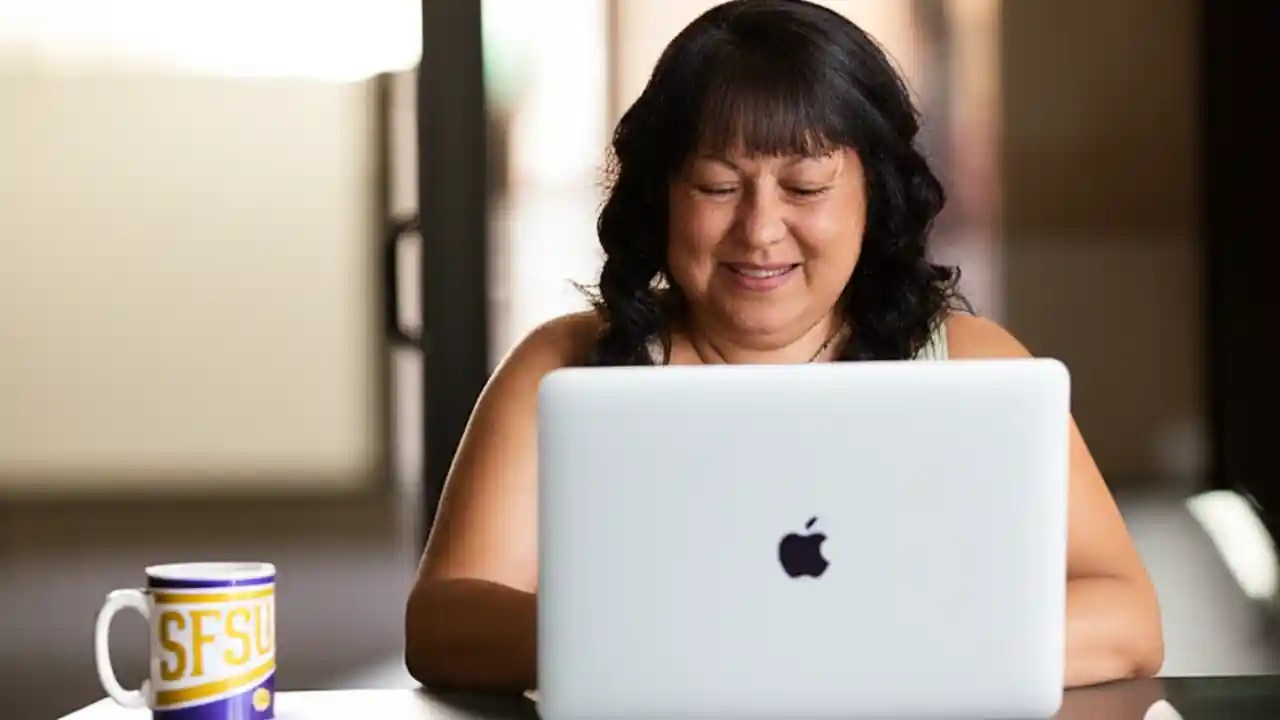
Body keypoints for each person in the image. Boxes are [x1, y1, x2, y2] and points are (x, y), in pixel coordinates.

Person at [405, 0, 1163, 691]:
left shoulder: (973, 365)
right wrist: (657, 644)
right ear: (660, 195)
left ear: (876, 195)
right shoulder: (564, 366)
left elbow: (1128, 619)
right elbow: (443, 623)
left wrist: (866, 647)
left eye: (804, 187)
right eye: (716, 186)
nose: (761, 231)